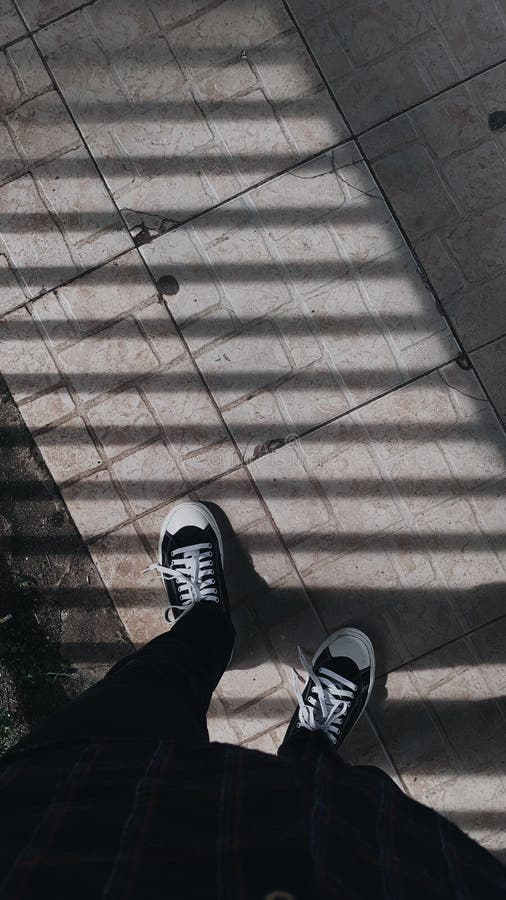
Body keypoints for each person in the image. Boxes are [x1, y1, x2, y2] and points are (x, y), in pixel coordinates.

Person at [0, 501, 504, 899]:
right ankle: (310, 750)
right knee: (325, 822)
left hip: (41, 834)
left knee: (144, 701)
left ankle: (204, 624)